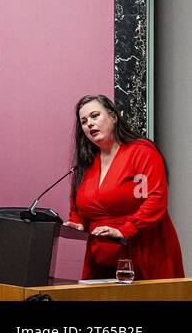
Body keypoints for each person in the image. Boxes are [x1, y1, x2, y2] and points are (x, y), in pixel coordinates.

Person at [64, 94, 184, 280]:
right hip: (101, 259)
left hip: (143, 250)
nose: (89, 124)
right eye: (84, 121)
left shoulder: (141, 152)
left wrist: (125, 229)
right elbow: (77, 208)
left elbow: (155, 199)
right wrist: (77, 223)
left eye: (95, 116)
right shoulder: (85, 165)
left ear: (113, 116)